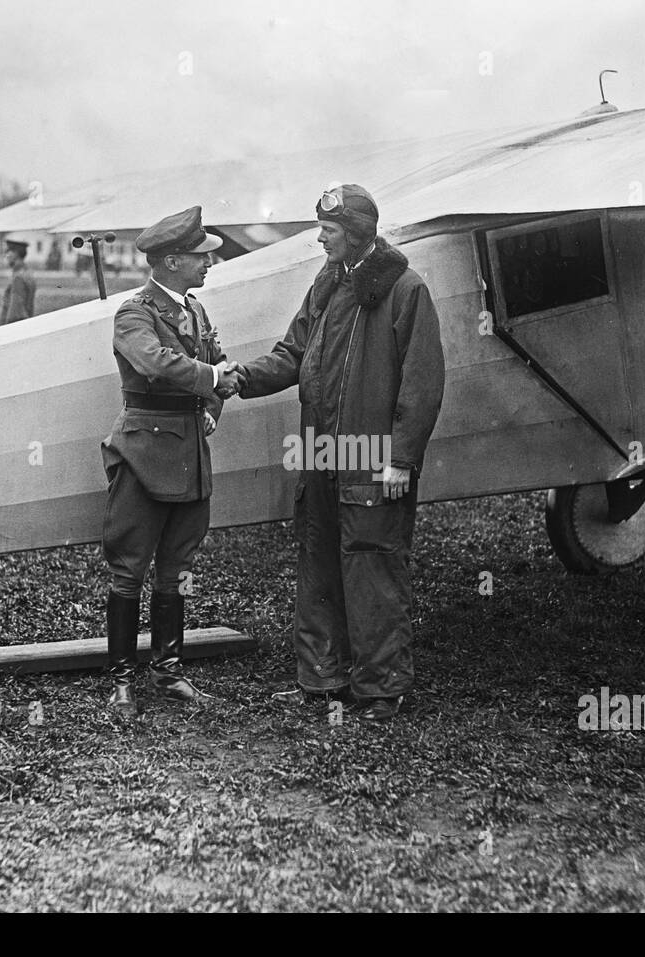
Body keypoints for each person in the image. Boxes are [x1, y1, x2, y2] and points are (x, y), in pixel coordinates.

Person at [233, 184, 445, 722]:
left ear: (355, 235)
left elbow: (422, 383)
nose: (319, 238)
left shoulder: (405, 290)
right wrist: (236, 378)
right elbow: (292, 353)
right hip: (322, 450)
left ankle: (381, 689)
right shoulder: (327, 283)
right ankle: (322, 678)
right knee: (319, 556)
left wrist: (401, 457)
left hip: (371, 455)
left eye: (328, 230)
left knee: (373, 566)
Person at [100, 205, 242, 716]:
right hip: (143, 454)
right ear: (172, 260)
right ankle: (121, 682)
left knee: (176, 569)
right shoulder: (134, 313)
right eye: (201, 256)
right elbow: (155, 362)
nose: (210, 263)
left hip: (189, 454)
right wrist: (209, 381)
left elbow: (216, 366)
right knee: (129, 571)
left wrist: (213, 405)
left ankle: (167, 673)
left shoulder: (196, 310)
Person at [0, 237, 36, 323]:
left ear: (16, 254)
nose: (6, 255)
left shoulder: (18, 278)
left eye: (8, 251)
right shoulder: (27, 273)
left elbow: (15, 313)